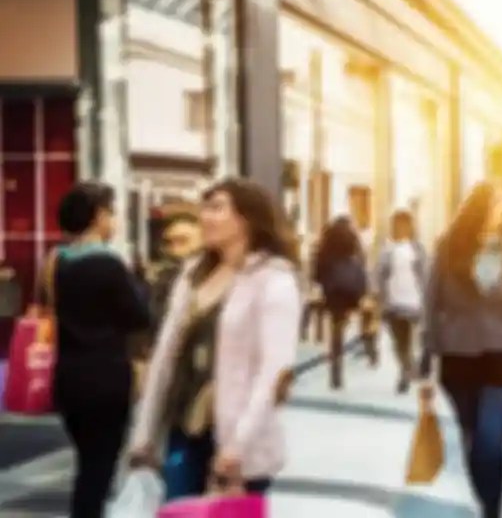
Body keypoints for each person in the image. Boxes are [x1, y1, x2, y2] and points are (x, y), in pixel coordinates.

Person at [129, 177, 302, 499]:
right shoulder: (194, 273)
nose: (205, 217)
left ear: (247, 218)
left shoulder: (273, 279)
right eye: (204, 208)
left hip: (236, 439)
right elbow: (166, 356)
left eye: (217, 208)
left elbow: (275, 371)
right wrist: (144, 433)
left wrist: (237, 446)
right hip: (185, 427)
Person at [419, 181, 502, 518]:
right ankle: (485, 502)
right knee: (471, 437)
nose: (497, 212)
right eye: (491, 204)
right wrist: (427, 351)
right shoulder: (449, 247)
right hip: (458, 353)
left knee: (490, 439)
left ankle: (492, 510)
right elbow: (431, 300)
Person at [47, 182, 151, 518]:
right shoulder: (109, 264)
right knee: (99, 469)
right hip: (106, 377)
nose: (115, 220)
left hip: (68, 375)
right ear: (99, 216)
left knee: (86, 465)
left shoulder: (55, 261)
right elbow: (138, 316)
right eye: (112, 213)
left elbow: (49, 308)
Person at [374, 209, 429, 393]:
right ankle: (406, 369)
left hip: (414, 302)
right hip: (393, 303)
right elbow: (378, 275)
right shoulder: (387, 249)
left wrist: (427, 298)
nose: (401, 228)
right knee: (399, 343)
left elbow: (426, 275)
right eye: (398, 224)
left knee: (409, 342)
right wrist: (378, 296)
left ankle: (406, 372)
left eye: (404, 224)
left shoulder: (417, 249)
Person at [313, 217, 370, 390]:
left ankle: (336, 371)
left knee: (335, 330)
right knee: (356, 320)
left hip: (332, 291)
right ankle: (369, 346)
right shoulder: (353, 239)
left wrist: (320, 283)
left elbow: (318, 268)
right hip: (350, 290)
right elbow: (361, 262)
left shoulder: (326, 241)